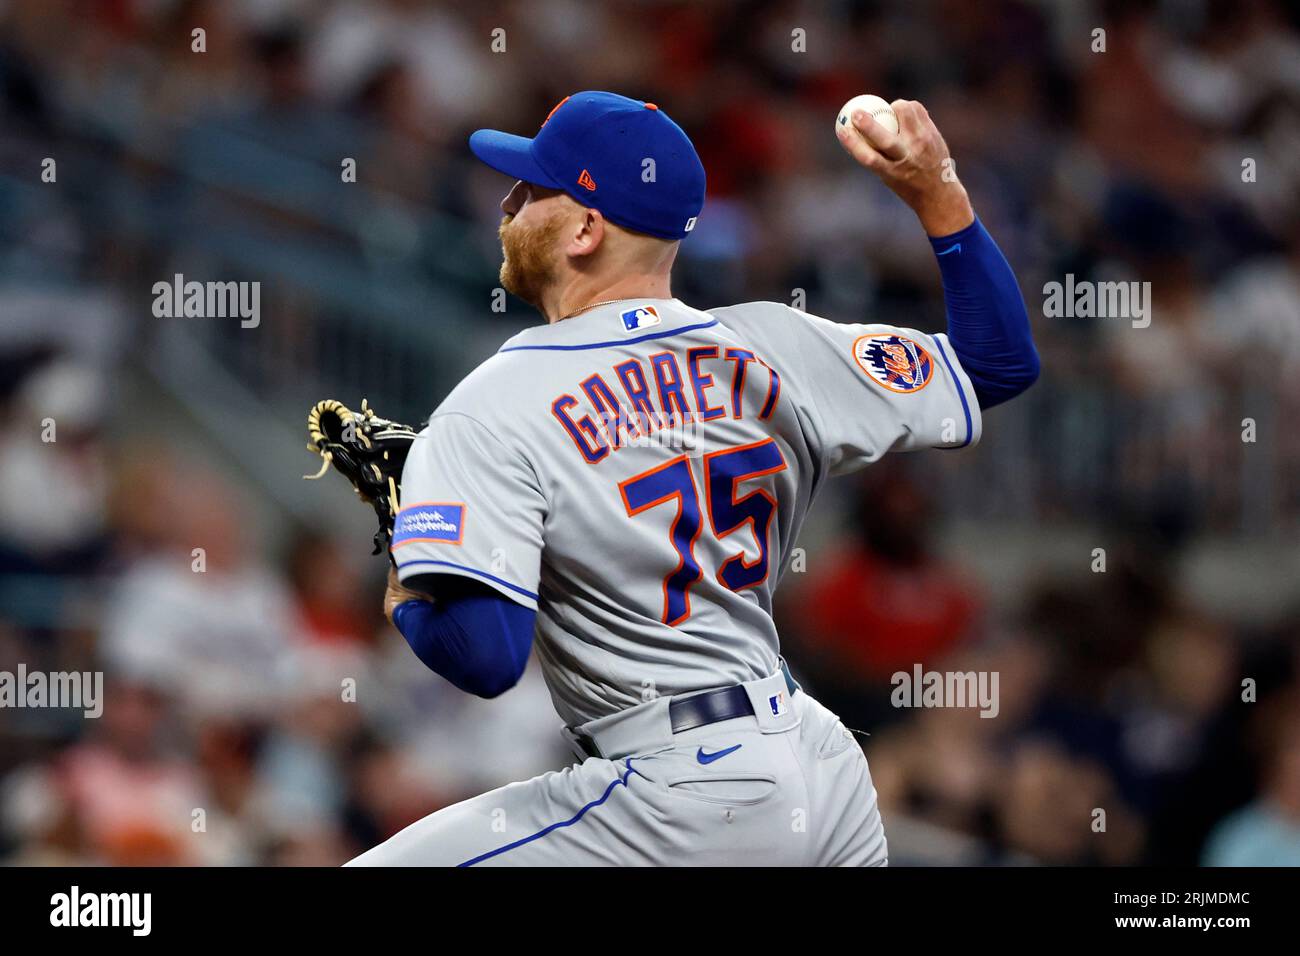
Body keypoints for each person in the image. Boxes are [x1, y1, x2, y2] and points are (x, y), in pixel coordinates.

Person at [347, 91, 1038, 866]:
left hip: (683, 795)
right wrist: (939, 195)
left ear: (583, 228)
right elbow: (997, 362)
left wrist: (411, 586)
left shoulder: (490, 407)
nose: (509, 202)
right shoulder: (773, 344)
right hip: (822, 770)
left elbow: (485, 656)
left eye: (534, 189)